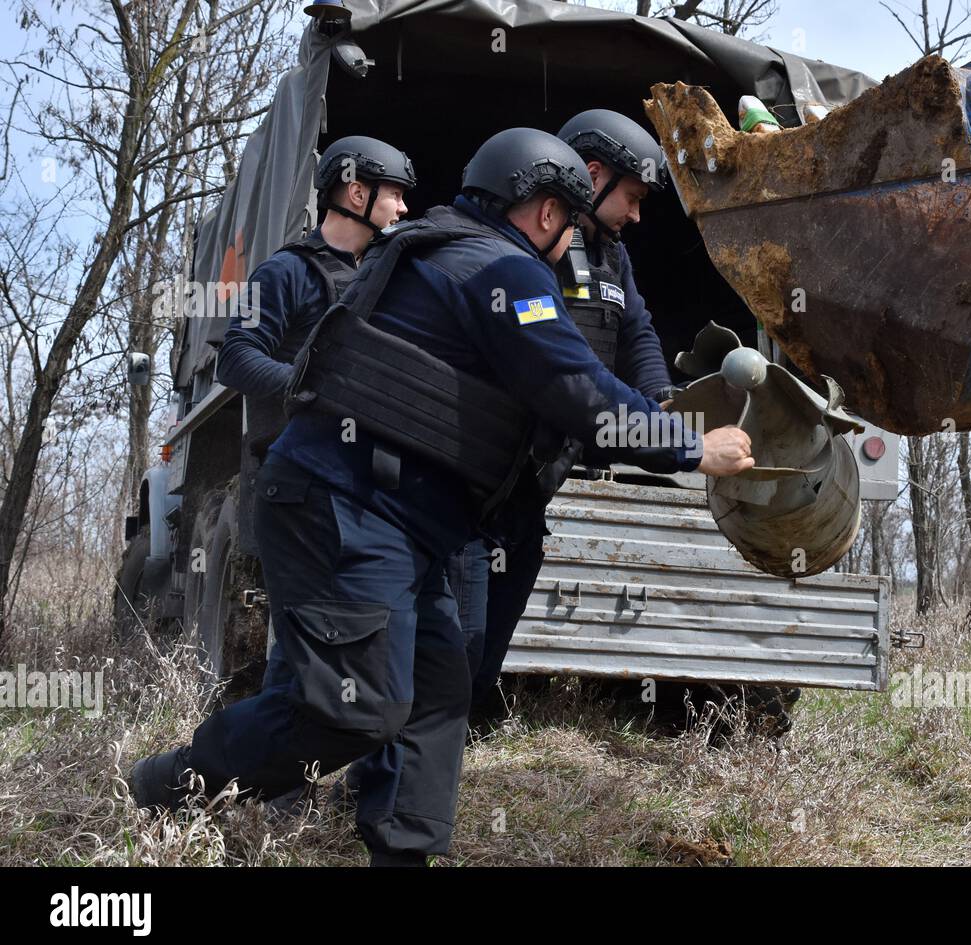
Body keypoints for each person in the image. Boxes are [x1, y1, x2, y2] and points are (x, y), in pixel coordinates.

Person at [131, 128, 754, 867]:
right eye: (568, 225)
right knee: (355, 707)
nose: (573, 251)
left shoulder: (431, 248)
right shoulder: (500, 268)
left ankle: (404, 855)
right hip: (342, 505)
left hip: (394, 516)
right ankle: (174, 783)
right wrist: (690, 445)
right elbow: (573, 389)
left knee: (435, 690)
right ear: (546, 214)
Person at [449, 109, 679, 723]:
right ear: (593, 174)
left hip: (551, 459)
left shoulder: (616, 257)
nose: (636, 214)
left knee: (501, 602)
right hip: (498, 454)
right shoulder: (534, 245)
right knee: (458, 634)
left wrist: (656, 397)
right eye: (632, 197)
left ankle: (456, 731)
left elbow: (638, 329)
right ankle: (427, 741)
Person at [218, 136, 415, 461]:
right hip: (301, 474)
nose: (403, 208)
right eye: (395, 194)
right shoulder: (284, 271)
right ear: (357, 193)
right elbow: (235, 358)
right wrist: (315, 384)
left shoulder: (391, 276)